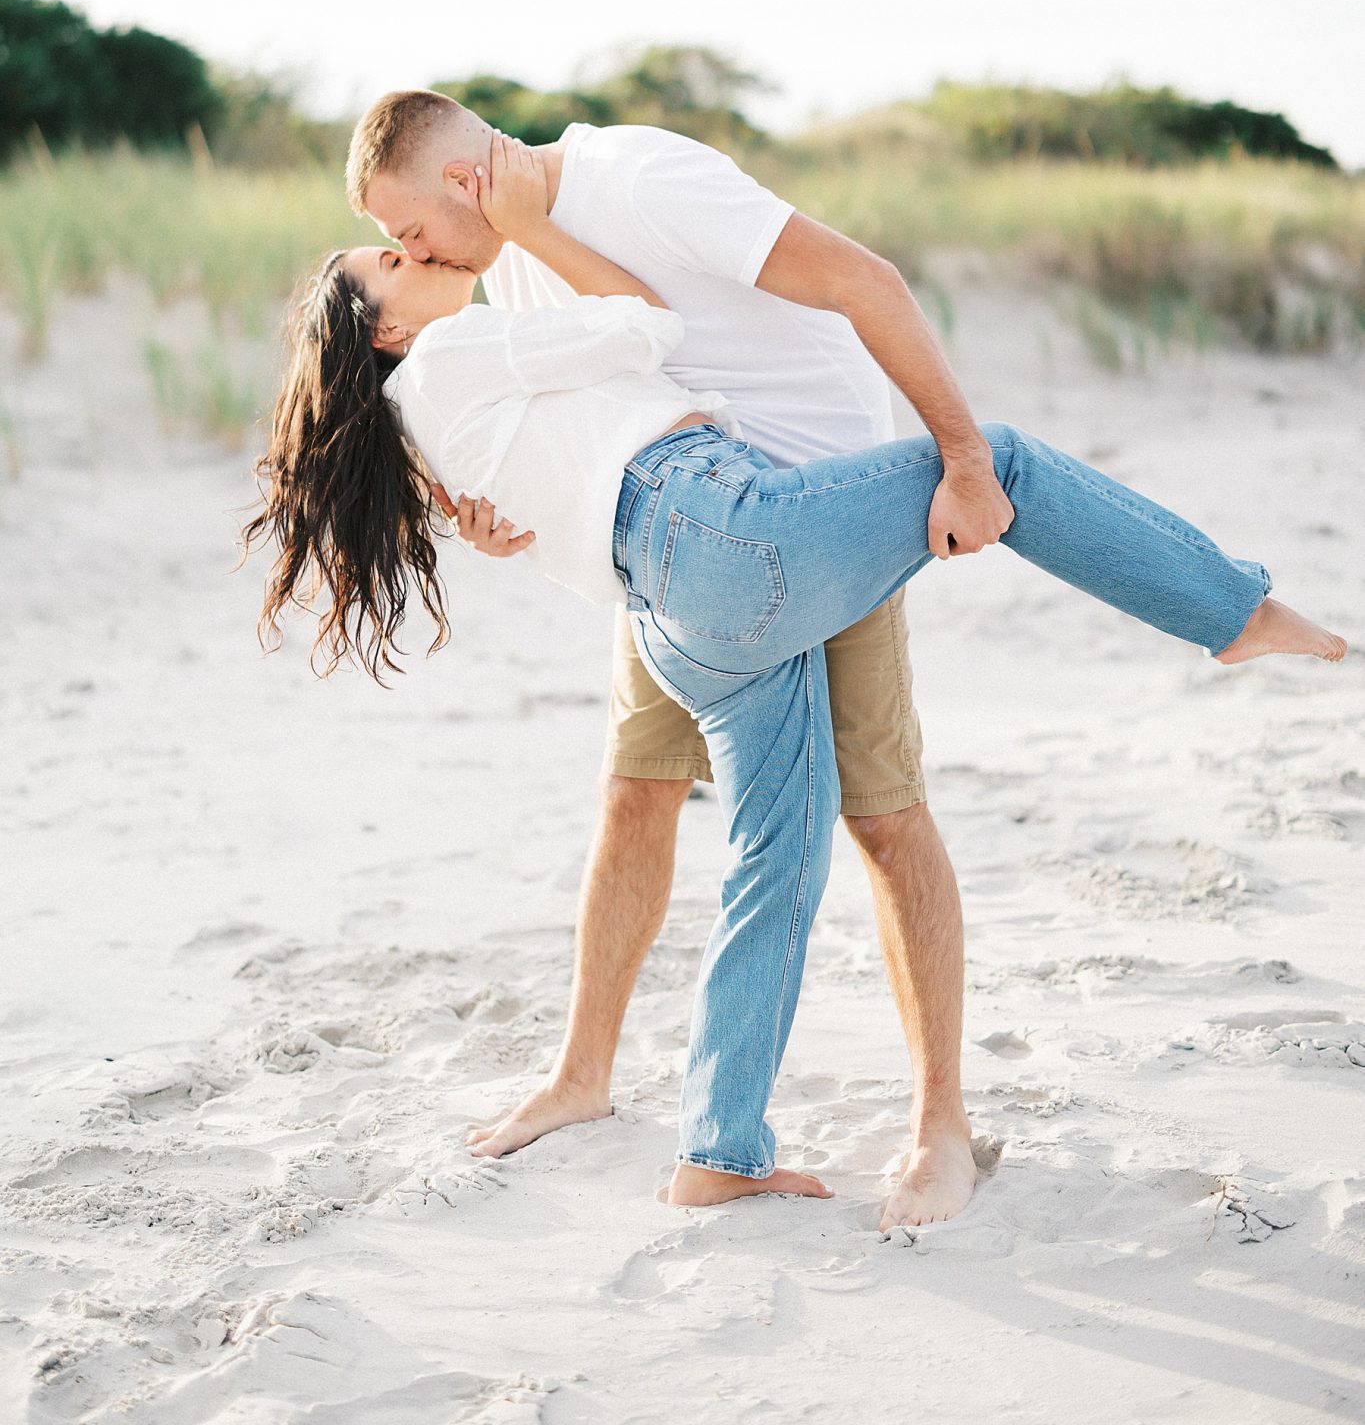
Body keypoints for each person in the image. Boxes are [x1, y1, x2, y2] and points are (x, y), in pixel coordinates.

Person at [247, 134, 1346, 1217]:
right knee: (997, 461)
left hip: (674, 605)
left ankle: (720, 1149)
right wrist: (532, 232)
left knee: (782, 846)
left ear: (452, 179)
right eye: (392, 254)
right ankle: (1232, 608)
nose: (412, 250)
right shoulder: (465, 330)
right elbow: (643, 330)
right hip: (737, 533)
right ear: (387, 322)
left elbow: (543, 466)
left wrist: (485, 521)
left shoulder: (440, 375)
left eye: (402, 236)